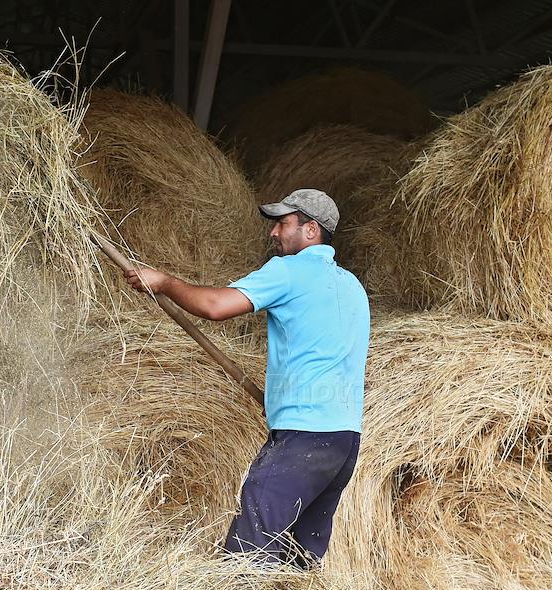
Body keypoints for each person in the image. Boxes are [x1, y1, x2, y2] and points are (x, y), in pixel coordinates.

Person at [122, 188, 370, 568]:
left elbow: (215, 306)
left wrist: (165, 282)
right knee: (298, 564)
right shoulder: (352, 288)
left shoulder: (290, 272)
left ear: (310, 230)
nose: (273, 233)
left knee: (248, 563)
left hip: (303, 438)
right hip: (343, 442)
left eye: (283, 223)